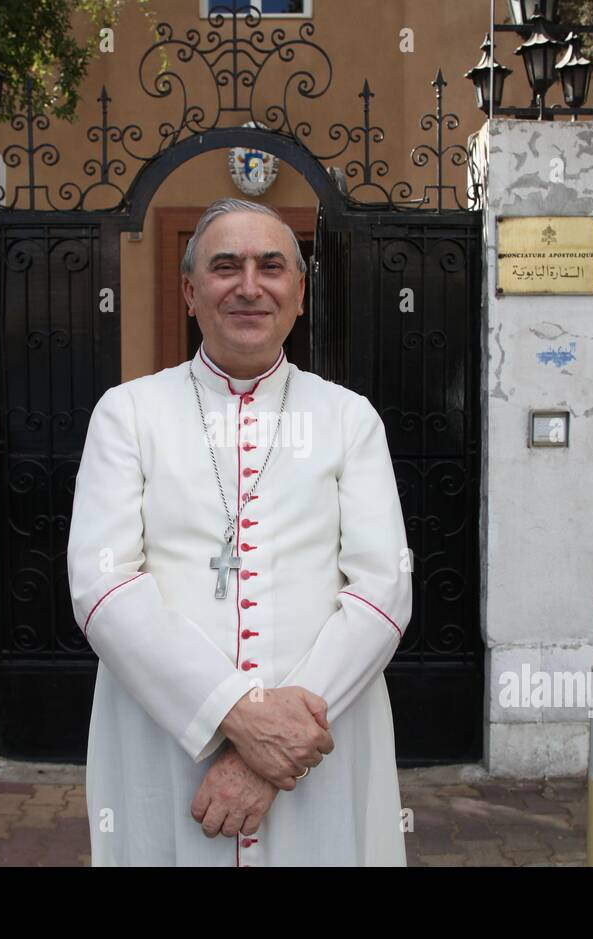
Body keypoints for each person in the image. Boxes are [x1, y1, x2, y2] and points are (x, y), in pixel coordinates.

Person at [67, 196, 412, 866]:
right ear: (191, 293)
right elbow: (102, 585)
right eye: (226, 267)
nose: (250, 286)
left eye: (271, 267)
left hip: (320, 738)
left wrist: (273, 751)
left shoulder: (349, 418)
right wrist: (239, 719)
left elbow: (382, 590)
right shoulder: (128, 414)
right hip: (168, 735)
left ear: (300, 293)